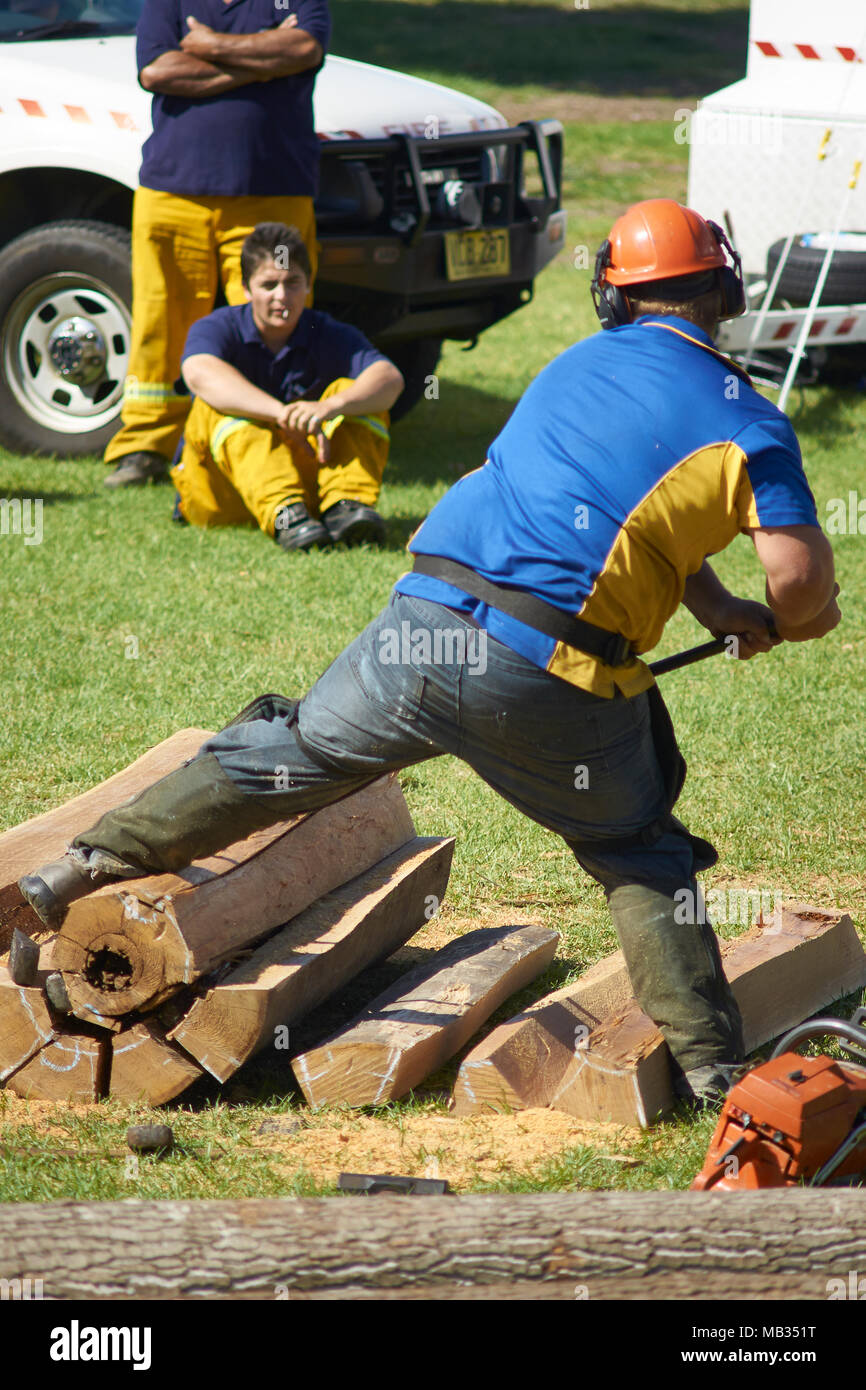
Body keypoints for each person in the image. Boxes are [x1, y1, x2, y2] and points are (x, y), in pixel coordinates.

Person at [19, 199, 841, 1105]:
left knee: (283, 756)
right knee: (640, 853)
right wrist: (793, 617)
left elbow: (599, 505)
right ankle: (718, 1077)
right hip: (548, 669)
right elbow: (797, 584)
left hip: (420, 619)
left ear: (611, 295)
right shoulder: (749, 421)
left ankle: (76, 869)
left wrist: (714, 602)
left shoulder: (570, 368)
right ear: (724, 291)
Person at [102, 0, 330, 488]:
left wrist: (210, 47)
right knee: (160, 323)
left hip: (275, 197)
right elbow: (158, 70)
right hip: (173, 194)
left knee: (278, 321)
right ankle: (144, 448)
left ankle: (278, 443)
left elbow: (304, 47)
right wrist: (263, 64)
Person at [171, 222, 404, 549]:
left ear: (309, 284)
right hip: (221, 494)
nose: (282, 296)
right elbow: (198, 372)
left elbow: (390, 379)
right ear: (246, 288)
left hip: (305, 489)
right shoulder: (218, 326)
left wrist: (327, 408)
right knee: (213, 404)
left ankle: (346, 508)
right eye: (269, 284)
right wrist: (282, 414)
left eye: (292, 282)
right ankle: (286, 514)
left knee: (354, 393)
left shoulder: (327, 331)